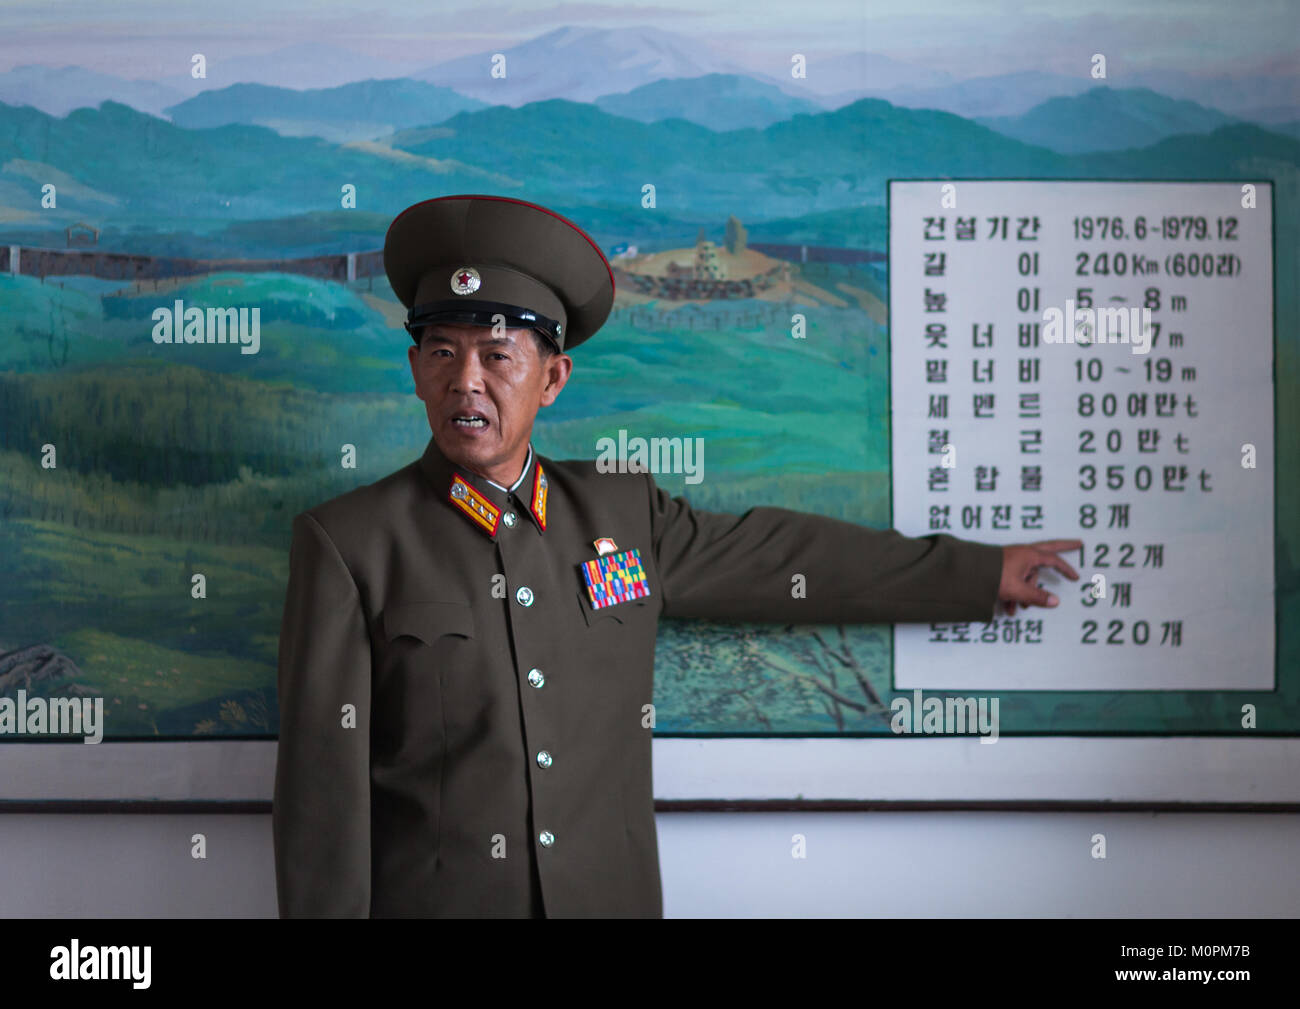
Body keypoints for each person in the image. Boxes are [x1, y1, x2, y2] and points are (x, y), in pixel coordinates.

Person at [272, 193, 1081, 917]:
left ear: (552, 378)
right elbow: (322, 811)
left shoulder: (622, 513)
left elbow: (781, 556)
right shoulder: (350, 546)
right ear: (415, 369)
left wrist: (976, 572)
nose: (466, 382)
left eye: (496, 356)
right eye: (442, 353)